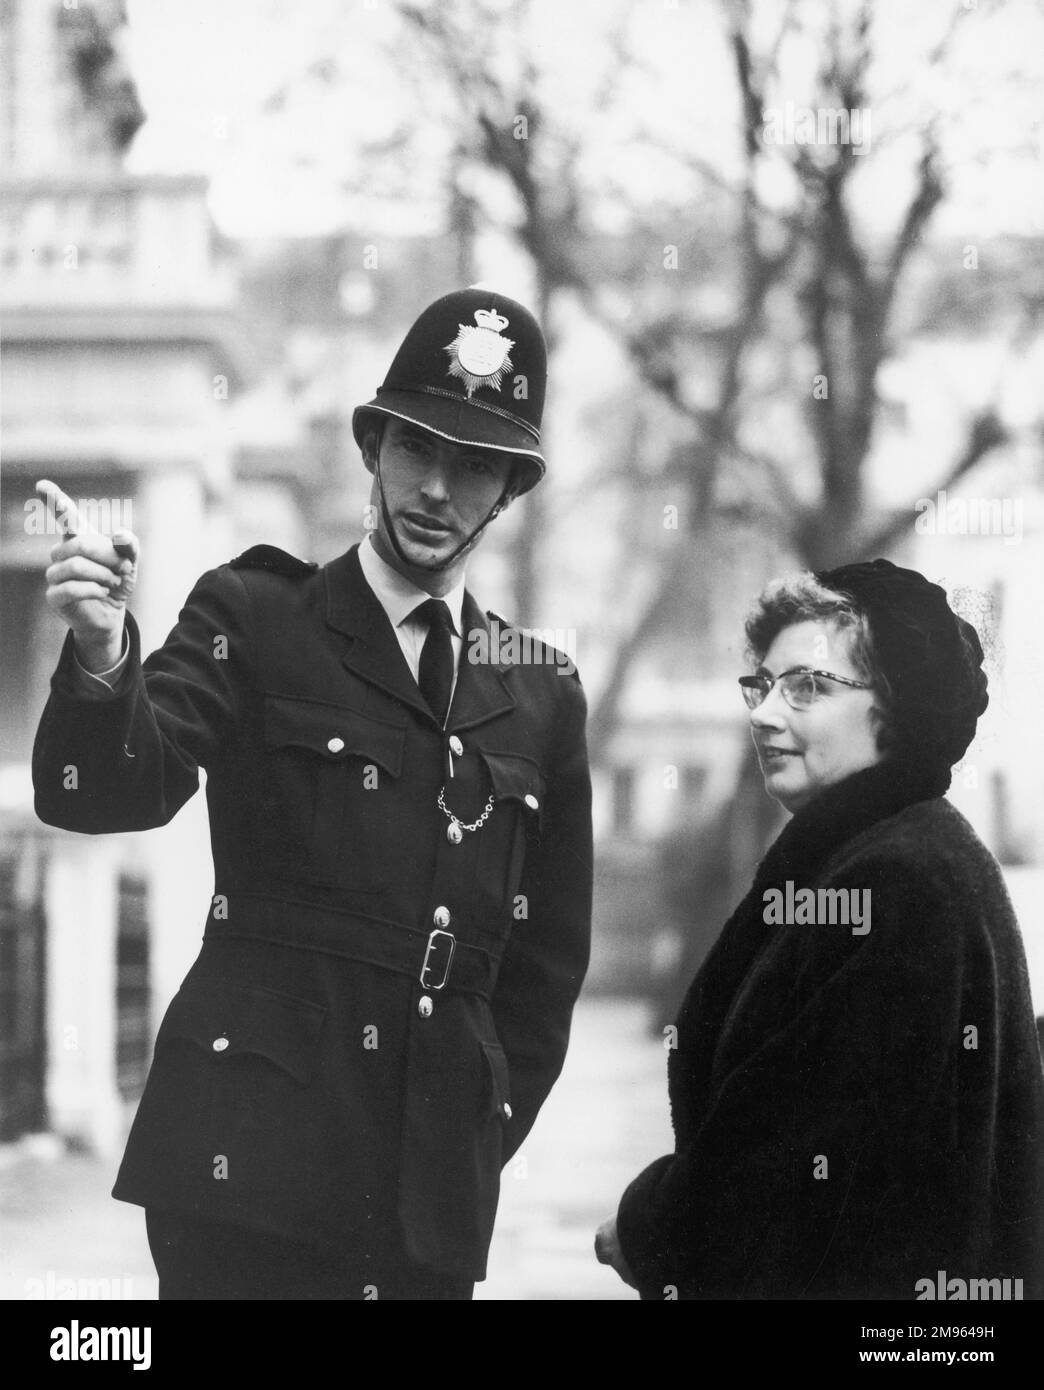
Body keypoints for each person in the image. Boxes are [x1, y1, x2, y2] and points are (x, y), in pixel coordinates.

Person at [33, 286, 593, 1300]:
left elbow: (546, 966)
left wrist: (475, 1125)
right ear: (372, 450)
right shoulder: (253, 614)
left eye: (473, 466)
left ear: (507, 490)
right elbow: (109, 791)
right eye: (417, 449)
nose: (436, 489)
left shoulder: (540, 690)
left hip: (425, 1202)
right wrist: (101, 650)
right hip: (246, 1175)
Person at [596, 560, 1044, 1300]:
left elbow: (805, 1161)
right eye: (762, 685)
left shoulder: (898, 880)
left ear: (892, 710)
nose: (765, 713)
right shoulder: (900, 853)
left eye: (806, 686)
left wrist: (649, 1226)